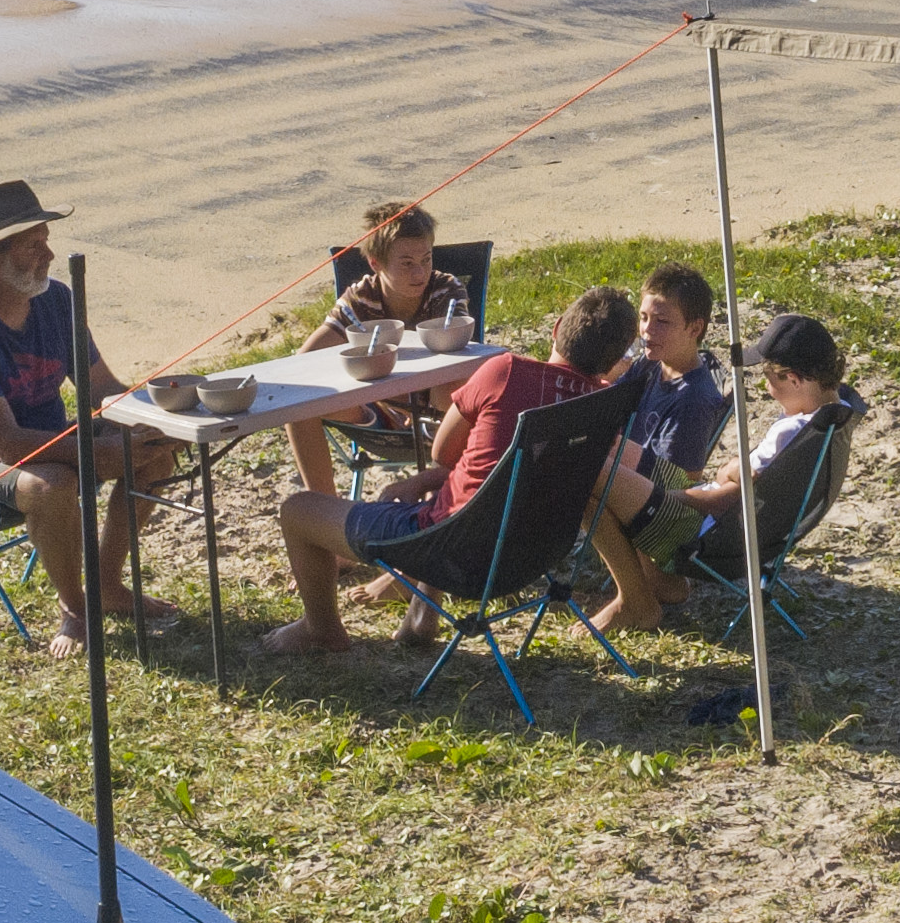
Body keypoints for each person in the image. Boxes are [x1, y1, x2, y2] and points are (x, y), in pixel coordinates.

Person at [266, 283, 637, 657]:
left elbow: (444, 452)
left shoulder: (506, 371)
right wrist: (425, 480)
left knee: (298, 510)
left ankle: (321, 630)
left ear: (556, 328)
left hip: (453, 551)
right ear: (615, 360)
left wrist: (427, 475)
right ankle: (421, 614)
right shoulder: (603, 406)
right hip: (532, 555)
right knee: (461, 493)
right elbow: (499, 472)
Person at [0, 180, 180, 650]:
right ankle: (75, 609)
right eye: (34, 245)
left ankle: (107, 586)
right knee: (51, 484)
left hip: (46, 441)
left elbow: (102, 389)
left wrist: (163, 415)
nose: (49, 255)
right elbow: (10, 445)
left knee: (154, 454)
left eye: (47, 241)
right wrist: (100, 453)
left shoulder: (56, 302)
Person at [585, 264, 735, 634]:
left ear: (694, 328)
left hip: (671, 507)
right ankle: (661, 583)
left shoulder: (694, 399)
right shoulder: (653, 367)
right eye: (644, 317)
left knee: (585, 481)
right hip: (644, 490)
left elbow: (685, 479)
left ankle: (634, 600)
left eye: (662, 322)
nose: (647, 331)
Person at [668, 312, 854, 610]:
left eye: (768, 379)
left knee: (628, 488)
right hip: (769, 533)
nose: (767, 389)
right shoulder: (836, 413)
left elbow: (743, 480)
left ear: (793, 379)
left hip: (719, 534)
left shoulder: (792, 432)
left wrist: (727, 469)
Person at [293, 198, 458, 497]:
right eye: (407, 264)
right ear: (375, 263)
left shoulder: (444, 290)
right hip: (382, 412)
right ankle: (323, 509)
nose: (419, 274)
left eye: (426, 259)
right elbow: (306, 359)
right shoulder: (361, 299)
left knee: (452, 377)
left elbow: (456, 359)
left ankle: (442, 499)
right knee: (298, 405)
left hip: (441, 417)